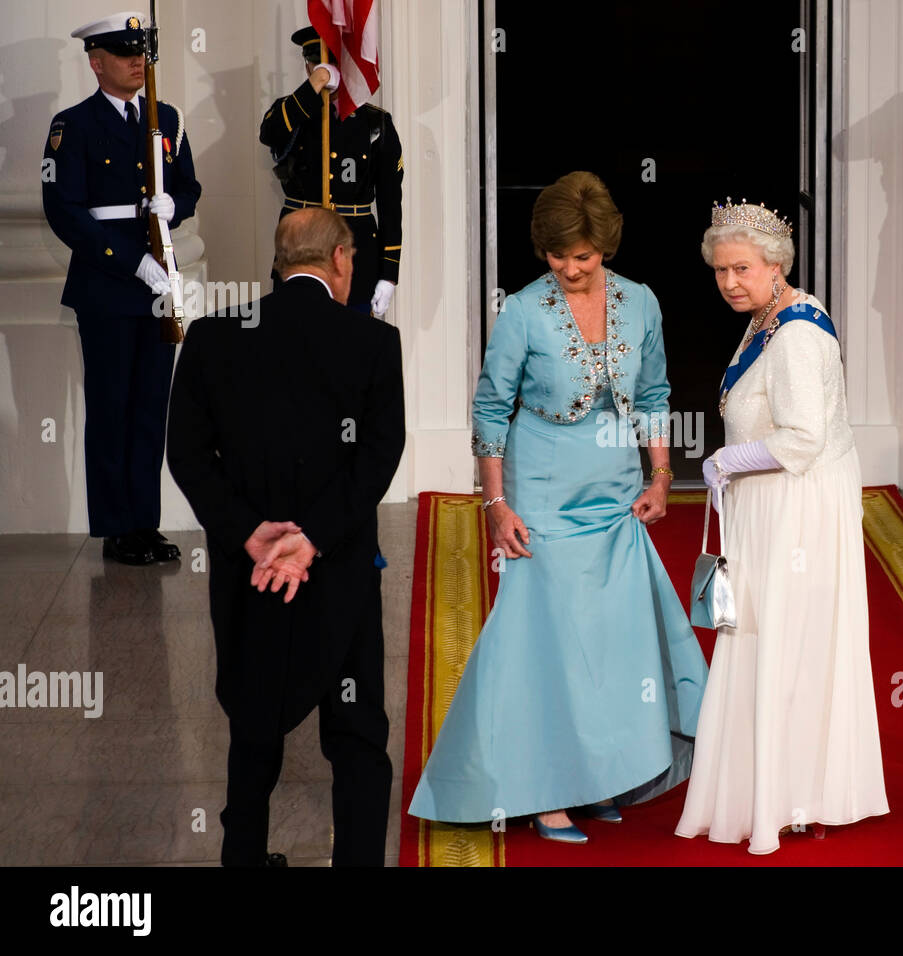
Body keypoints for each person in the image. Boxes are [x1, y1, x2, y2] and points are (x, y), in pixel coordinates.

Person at [407, 171, 707, 844]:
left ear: (607, 245)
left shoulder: (641, 302)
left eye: (584, 256)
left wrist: (662, 476)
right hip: (540, 488)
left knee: (609, 641)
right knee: (549, 642)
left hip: (616, 493)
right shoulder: (520, 311)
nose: (570, 268)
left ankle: (595, 777)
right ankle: (544, 794)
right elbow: (489, 410)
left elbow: (656, 393)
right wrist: (495, 504)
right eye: (557, 254)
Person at [167, 208, 405, 866]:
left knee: (253, 719)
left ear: (280, 262)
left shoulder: (214, 338)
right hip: (339, 572)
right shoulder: (374, 343)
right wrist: (314, 539)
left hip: (254, 575)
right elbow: (378, 457)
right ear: (340, 260)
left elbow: (187, 455)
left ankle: (243, 858)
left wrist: (253, 536)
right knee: (356, 732)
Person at [676, 199, 889, 855]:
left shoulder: (797, 334)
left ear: (775, 265)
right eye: (720, 271)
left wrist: (723, 460)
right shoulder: (767, 317)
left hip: (795, 509)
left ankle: (795, 795)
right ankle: (776, 787)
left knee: (791, 647)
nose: (730, 283)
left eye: (741, 268)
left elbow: (799, 440)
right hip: (771, 504)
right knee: (774, 644)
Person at [42, 11, 201, 565]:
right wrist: (132, 261)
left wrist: (174, 206)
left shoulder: (167, 119)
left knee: (150, 407)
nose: (139, 61)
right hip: (108, 285)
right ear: (95, 62)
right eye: (124, 53)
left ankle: (144, 523)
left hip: (160, 283)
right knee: (112, 406)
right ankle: (114, 528)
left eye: (142, 53)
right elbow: (64, 210)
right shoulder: (74, 126)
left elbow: (190, 188)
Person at [259, 26, 403, 316]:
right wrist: (317, 82)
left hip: (356, 257)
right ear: (307, 65)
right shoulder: (292, 112)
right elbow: (270, 133)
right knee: (297, 348)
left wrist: (389, 274)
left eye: (332, 62)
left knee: (352, 352)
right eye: (315, 62)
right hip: (300, 249)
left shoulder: (377, 124)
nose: (324, 69)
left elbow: (390, 204)